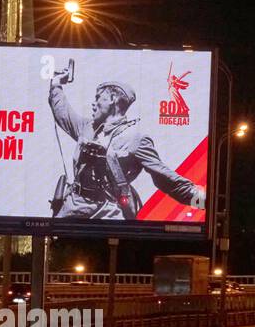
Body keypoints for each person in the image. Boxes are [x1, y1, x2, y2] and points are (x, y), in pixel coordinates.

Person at [48, 69, 206, 220]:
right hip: (73, 208)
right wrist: (56, 84)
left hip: (108, 214)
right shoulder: (87, 127)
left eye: (98, 98)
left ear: (113, 99)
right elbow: (63, 114)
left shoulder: (135, 139)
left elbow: (165, 178)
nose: (93, 103)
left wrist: (204, 201)